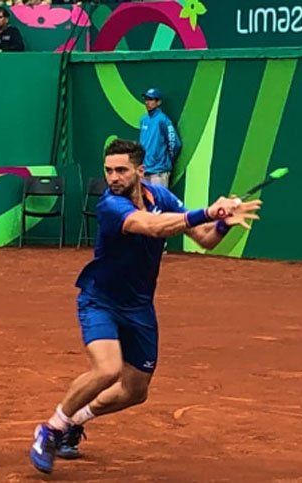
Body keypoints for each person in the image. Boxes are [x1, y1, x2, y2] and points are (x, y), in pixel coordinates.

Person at [29, 139, 261, 475]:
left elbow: (206, 240)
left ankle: (74, 422)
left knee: (135, 391)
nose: (113, 177)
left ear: (140, 171)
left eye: (121, 170)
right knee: (108, 370)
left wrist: (222, 222)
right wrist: (209, 210)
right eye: (108, 170)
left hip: (139, 308)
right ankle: (49, 430)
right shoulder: (111, 206)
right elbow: (151, 226)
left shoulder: (160, 197)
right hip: (100, 300)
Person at [138, 88, 181, 188]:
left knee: (160, 202)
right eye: (146, 99)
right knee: (145, 203)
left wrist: (165, 160)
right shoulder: (143, 119)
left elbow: (175, 143)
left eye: (151, 99)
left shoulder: (163, 120)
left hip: (159, 172)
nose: (147, 102)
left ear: (158, 102)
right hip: (144, 171)